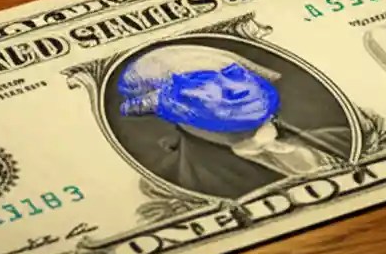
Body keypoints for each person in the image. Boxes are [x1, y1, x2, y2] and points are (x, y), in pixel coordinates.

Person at [117, 44, 352, 199]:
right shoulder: (182, 188)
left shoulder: (342, 138)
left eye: (235, 74)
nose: (236, 89)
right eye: (203, 83)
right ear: (165, 107)